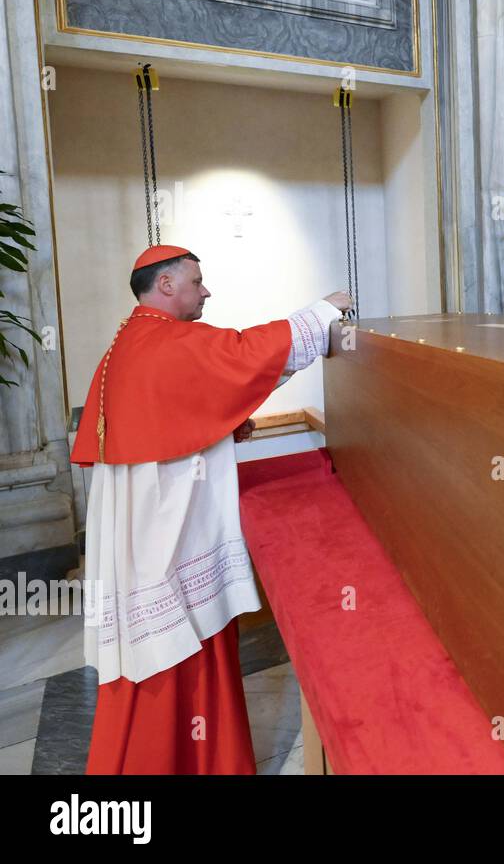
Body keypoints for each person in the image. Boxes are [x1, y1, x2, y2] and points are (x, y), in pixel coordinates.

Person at [70, 244, 352, 773]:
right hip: (167, 538)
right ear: (166, 285)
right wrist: (323, 310)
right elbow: (246, 354)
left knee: (167, 649)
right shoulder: (166, 341)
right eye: (196, 281)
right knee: (178, 644)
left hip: (148, 533)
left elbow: (193, 402)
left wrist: (221, 423)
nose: (206, 290)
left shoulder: (131, 344)